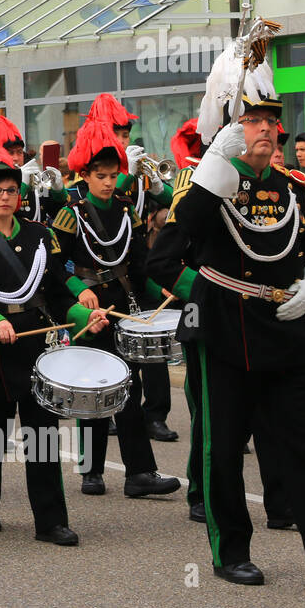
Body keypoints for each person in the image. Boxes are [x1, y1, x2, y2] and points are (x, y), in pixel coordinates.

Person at [148, 71, 305, 590]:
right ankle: (231, 552)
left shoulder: (294, 188)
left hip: (287, 328)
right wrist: (212, 175)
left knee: (303, 446)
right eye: (252, 121)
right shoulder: (204, 186)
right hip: (226, 331)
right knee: (223, 448)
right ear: (232, 129)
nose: (265, 130)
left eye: (271, 121)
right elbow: (164, 259)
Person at [0, 149, 107, 545]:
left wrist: (86, 317)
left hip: (35, 342)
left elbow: (53, 294)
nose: (4, 197)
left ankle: (51, 522)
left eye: (11, 190)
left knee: (43, 432)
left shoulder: (40, 235)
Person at [50, 119, 181, 499]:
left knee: (127, 387)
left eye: (112, 175)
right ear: (85, 176)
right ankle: (93, 470)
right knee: (96, 388)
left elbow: (141, 264)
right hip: (90, 311)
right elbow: (54, 265)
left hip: (124, 307)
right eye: (100, 175)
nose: (108, 182)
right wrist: (77, 293)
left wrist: (163, 291)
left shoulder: (127, 211)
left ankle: (138, 473)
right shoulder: (70, 212)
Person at [0, 114, 65, 223]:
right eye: (10, 153)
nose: (16, 158)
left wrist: (59, 191)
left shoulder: (34, 179)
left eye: (19, 152)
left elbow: (57, 215)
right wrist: (22, 186)